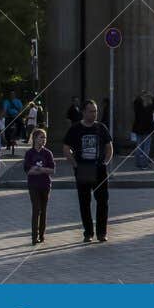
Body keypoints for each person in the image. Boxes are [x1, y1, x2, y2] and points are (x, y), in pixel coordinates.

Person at [62, 99, 113, 243]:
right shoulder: (76, 128)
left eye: (96, 111)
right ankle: (88, 232)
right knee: (85, 202)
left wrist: (105, 162)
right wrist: (75, 164)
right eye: (91, 111)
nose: (94, 114)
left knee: (103, 201)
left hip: (99, 169)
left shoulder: (101, 128)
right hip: (83, 168)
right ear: (84, 112)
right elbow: (66, 148)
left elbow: (109, 147)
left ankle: (101, 233)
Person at [24, 129, 56, 245]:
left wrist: (41, 169)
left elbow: (52, 170)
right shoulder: (29, 153)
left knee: (43, 210)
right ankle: (34, 236)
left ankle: (42, 235)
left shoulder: (48, 153)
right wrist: (40, 170)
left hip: (45, 185)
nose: (43, 140)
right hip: (33, 185)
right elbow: (28, 170)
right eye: (41, 137)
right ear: (35, 138)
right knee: (36, 209)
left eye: (45, 138)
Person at [131, 92, 153, 168]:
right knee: (146, 148)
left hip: (138, 129)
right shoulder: (149, 107)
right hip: (147, 129)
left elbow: (135, 102)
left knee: (138, 147)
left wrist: (139, 96)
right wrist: (151, 96)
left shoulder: (138, 107)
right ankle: (144, 164)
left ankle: (138, 163)